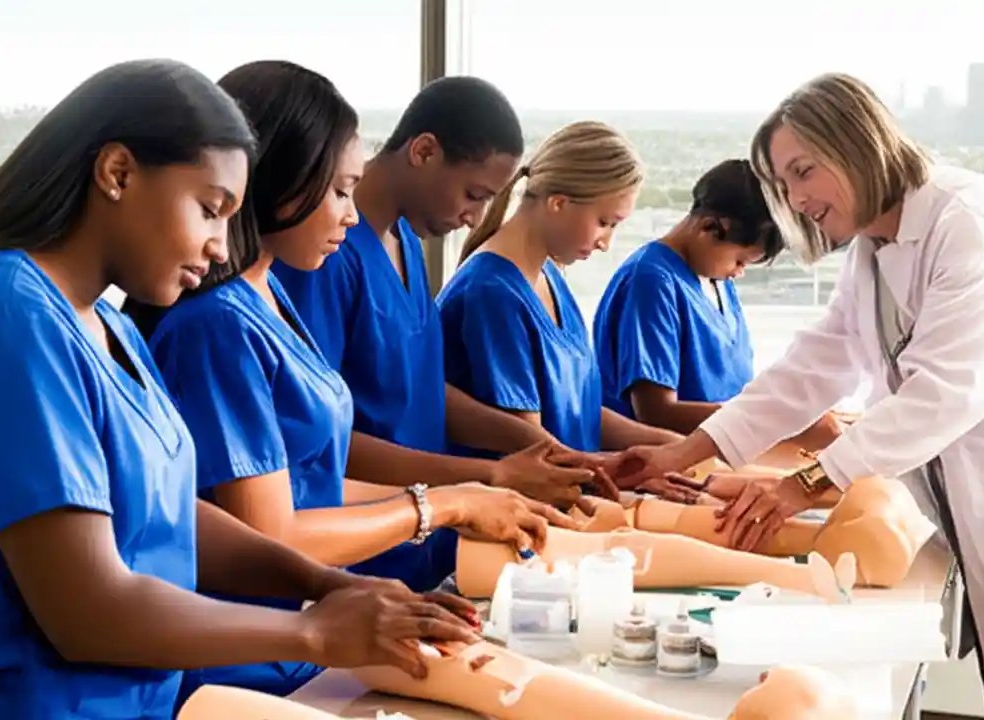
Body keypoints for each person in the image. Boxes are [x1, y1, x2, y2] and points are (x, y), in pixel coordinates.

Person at [0, 60, 477, 719]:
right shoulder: (6, 321)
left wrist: (323, 583)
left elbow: (168, 512)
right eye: (210, 210)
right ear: (118, 173)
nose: (221, 247)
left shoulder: (104, 324)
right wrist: (315, 631)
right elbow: (88, 611)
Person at [609, 73, 984, 719]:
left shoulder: (973, 226)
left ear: (857, 144)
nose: (796, 199)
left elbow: (946, 392)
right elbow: (818, 360)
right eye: (784, 185)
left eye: (804, 172)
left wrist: (805, 483)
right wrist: (688, 452)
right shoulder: (877, 245)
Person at [132, 61, 569, 700]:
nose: (349, 214)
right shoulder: (216, 327)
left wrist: (460, 497)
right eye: (338, 191)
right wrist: (439, 504)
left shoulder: (270, 297)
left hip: (316, 639)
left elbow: (310, 478)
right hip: (249, 667)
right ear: (278, 179)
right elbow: (269, 529)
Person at [274, 77, 610, 506]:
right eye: (473, 195)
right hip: (367, 535)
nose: (476, 218)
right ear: (424, 151)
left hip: (422, 535)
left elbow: (422, 389)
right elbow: (319, 438)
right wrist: (489, 475)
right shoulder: (324, 257)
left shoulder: (407, 241)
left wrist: (543, 448)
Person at [437, 121, 690, 501]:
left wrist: (673, 447)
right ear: (558, 203)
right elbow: (536, 451)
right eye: (605, 223)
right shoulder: (491, 295)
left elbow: (578, 408)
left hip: (571, 498)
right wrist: (620, 471)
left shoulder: (549, 276)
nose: (606, 242)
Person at [592, 159, 782, 433]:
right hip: (657, 460)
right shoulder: (651, 281)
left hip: (717, 450)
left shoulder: (714, 277)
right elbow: (656, 412)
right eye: (740, 260)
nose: (739, 273)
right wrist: (767, 420)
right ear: (710, 227)